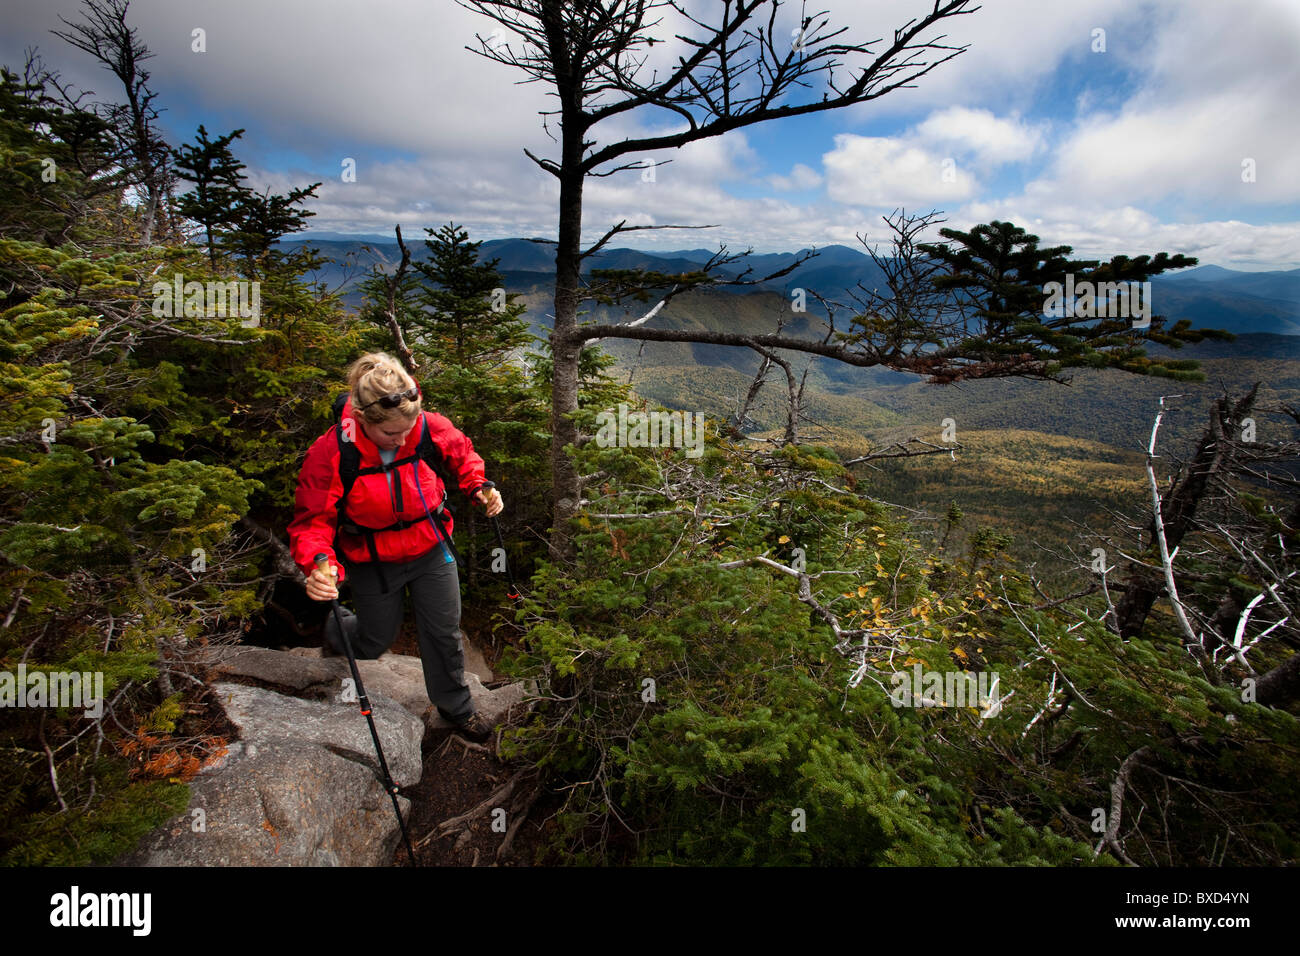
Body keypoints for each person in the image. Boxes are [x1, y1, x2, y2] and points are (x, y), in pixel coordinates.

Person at [288, 352, 504, 742]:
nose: (402, 439)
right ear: (365, 421)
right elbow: (312, 521)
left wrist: (480, 486)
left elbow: (462, 453)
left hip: (431, 547)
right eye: (391, 434)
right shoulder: (333, 451)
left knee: (443, 632)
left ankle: (457, 710)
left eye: (408, 429)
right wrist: (320, 563)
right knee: (374, 639)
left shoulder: (423, 425)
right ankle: (337, 633)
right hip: (373, 559)